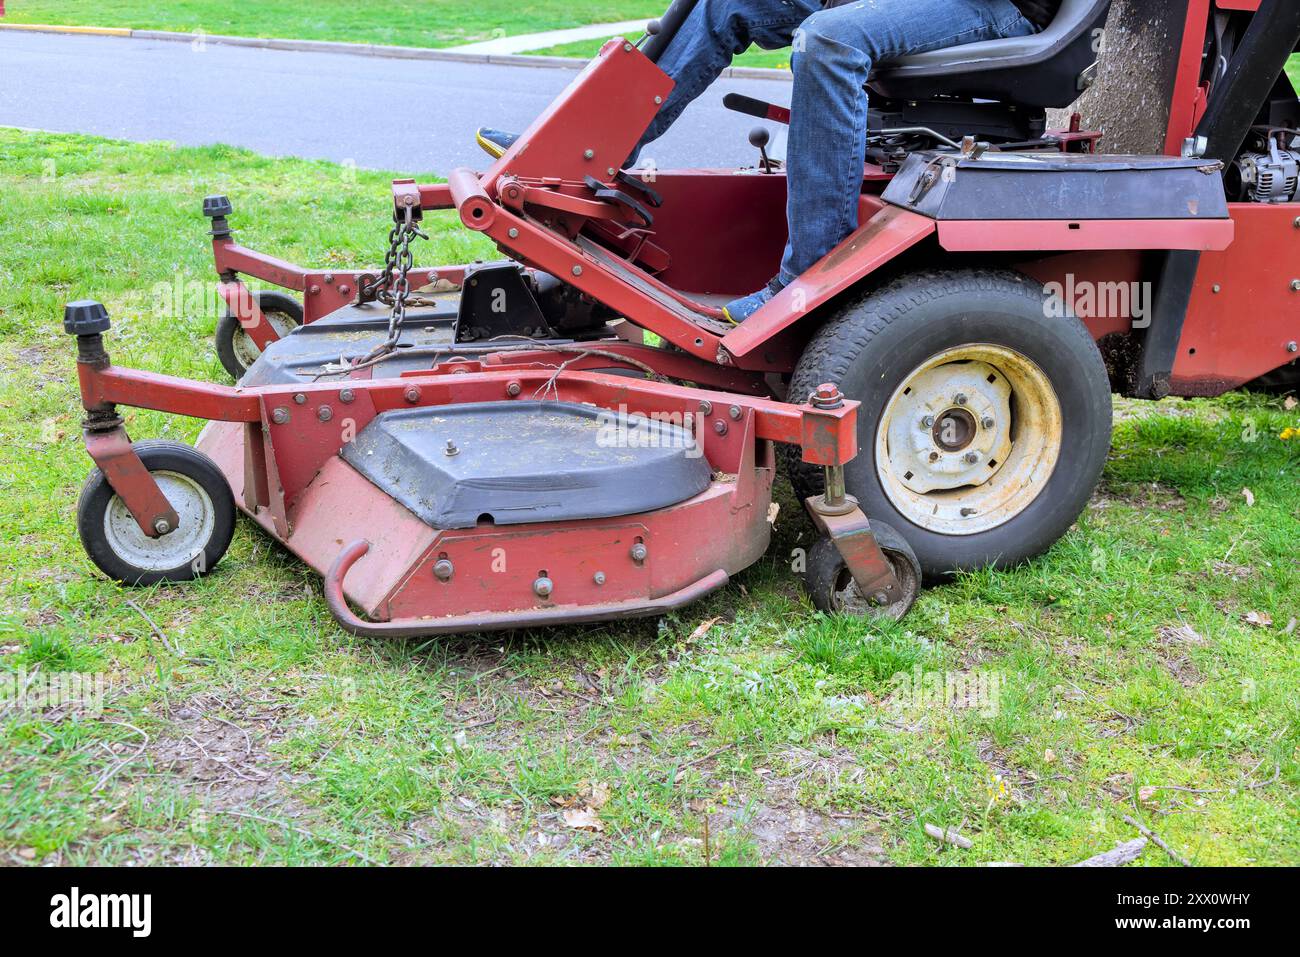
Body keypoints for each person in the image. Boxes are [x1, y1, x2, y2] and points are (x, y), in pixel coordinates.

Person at [632, 0, 1058, 321]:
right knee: (727, 2)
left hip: (998, 6)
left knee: (829, 40)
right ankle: (599, 152)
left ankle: (813, 275)